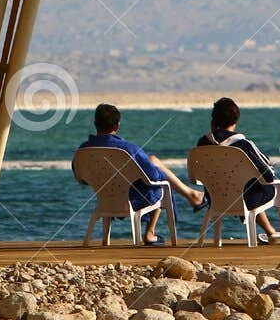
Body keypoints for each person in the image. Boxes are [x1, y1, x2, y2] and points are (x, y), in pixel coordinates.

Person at [77, 103, 207, 245]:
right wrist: (161, 173)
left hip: (104, 199)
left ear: (95, 124)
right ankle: (150, 233)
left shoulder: (84, 150)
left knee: (151, 165)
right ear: (117, 126)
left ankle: (192, 196)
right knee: (158, 182)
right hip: (131, 199)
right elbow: (154, 176)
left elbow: (80, 177)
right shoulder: (128, 149)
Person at [195, 96, 280, 243]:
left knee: (243, 184)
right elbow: (267, 174)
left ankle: (271, 232)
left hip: (214, 197)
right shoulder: (243, 144)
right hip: (245, 198)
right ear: (236, 121)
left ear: (213, 121)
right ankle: (272, 232)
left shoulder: (202, 144)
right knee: (255, 184)